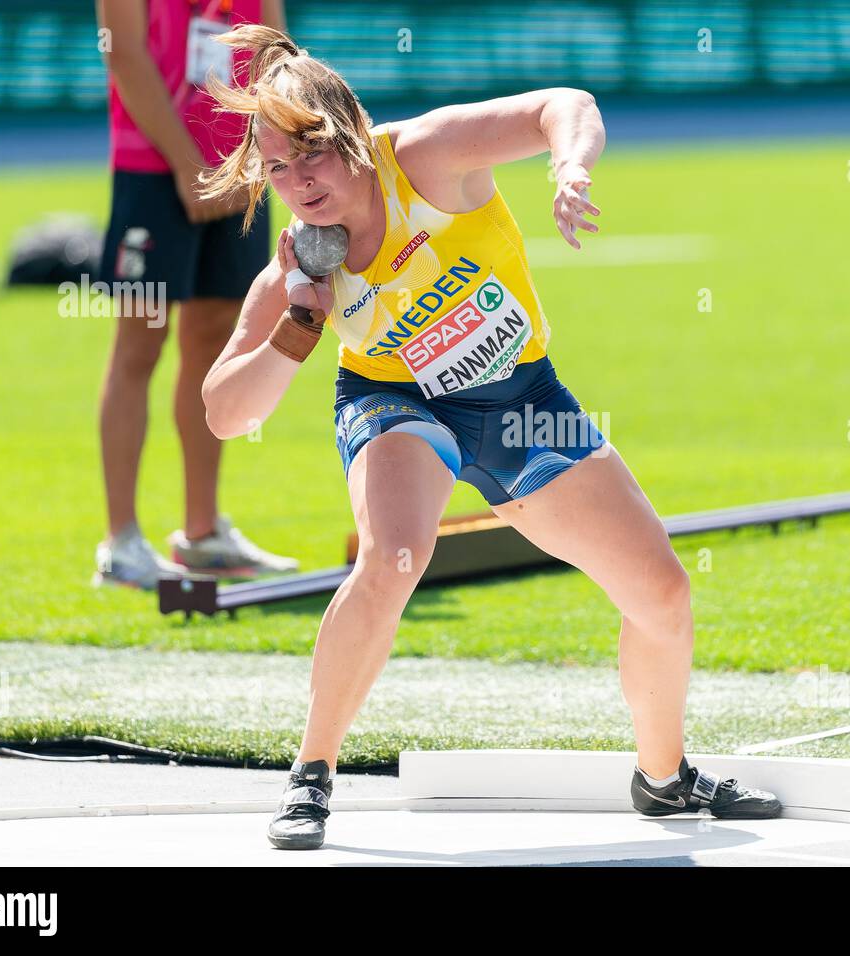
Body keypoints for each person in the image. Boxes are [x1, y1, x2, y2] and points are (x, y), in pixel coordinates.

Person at [198, 25, 783, 850]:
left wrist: (569, 165)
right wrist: (299, 323)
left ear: (350, 133)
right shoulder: (303, 260)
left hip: (519, 400)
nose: (299, 186)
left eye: (312, 158)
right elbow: (227, 411)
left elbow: (562, 103)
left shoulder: (428, 157)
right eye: (279, 171)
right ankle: (311, 777)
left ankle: (663, 779)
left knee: (663, 595)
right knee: (394, 558)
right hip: (395, 402)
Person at [93, 0, 297, 589]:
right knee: (140, 344)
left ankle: (201, 534)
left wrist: (276, 151)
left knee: (217, 339)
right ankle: (121, 542)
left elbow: (275, 48)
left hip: (242, 165)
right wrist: (188, 166)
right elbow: (124, 53)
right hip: (153, 167)